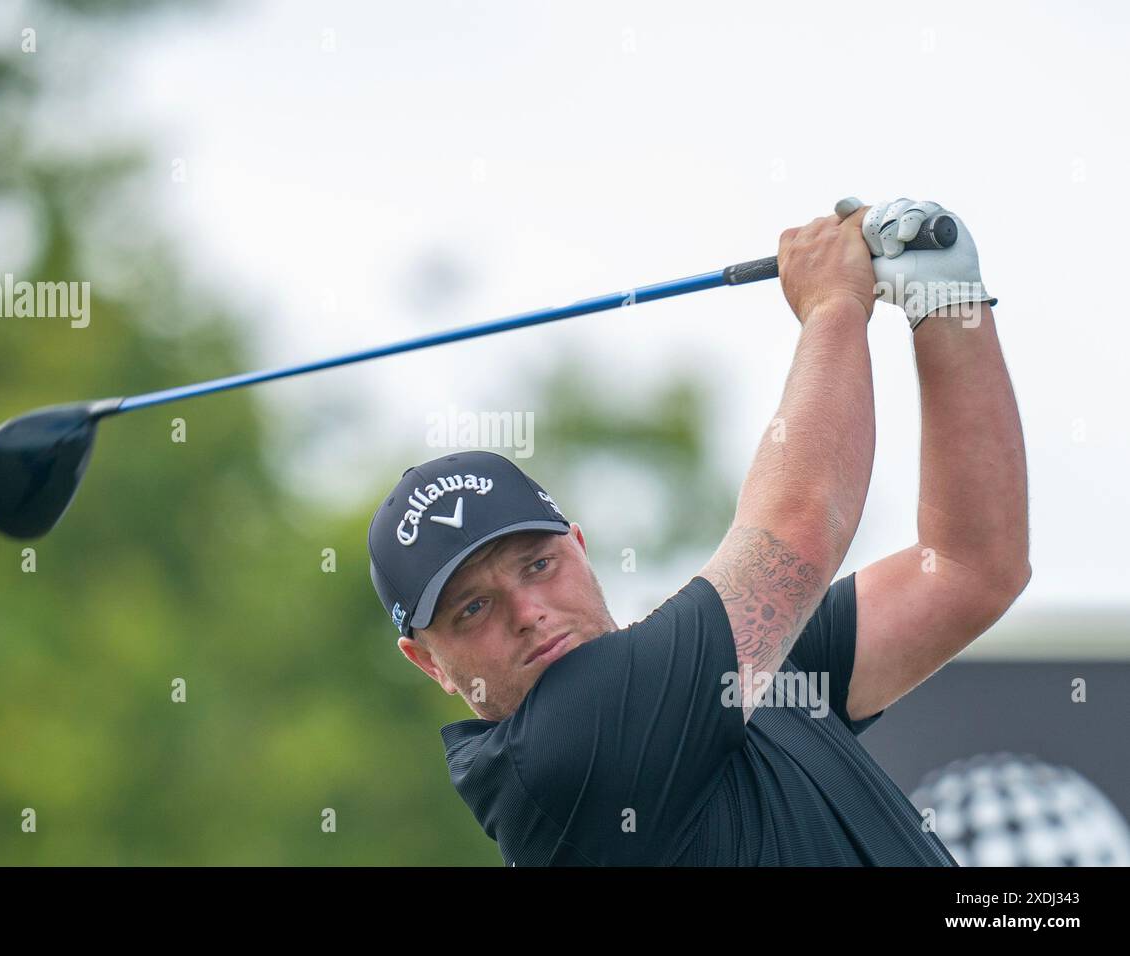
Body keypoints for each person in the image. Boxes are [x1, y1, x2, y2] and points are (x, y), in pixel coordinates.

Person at [366, 196, 1031, 865]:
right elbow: (798, 528)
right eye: (472, 608)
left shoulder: (728, 674)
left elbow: (971, 568)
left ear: (579, 548)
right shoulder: (556, 758)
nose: (529, 614)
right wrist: (832, 305)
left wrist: (947, 303)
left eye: (537, 566)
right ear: (427, 661)